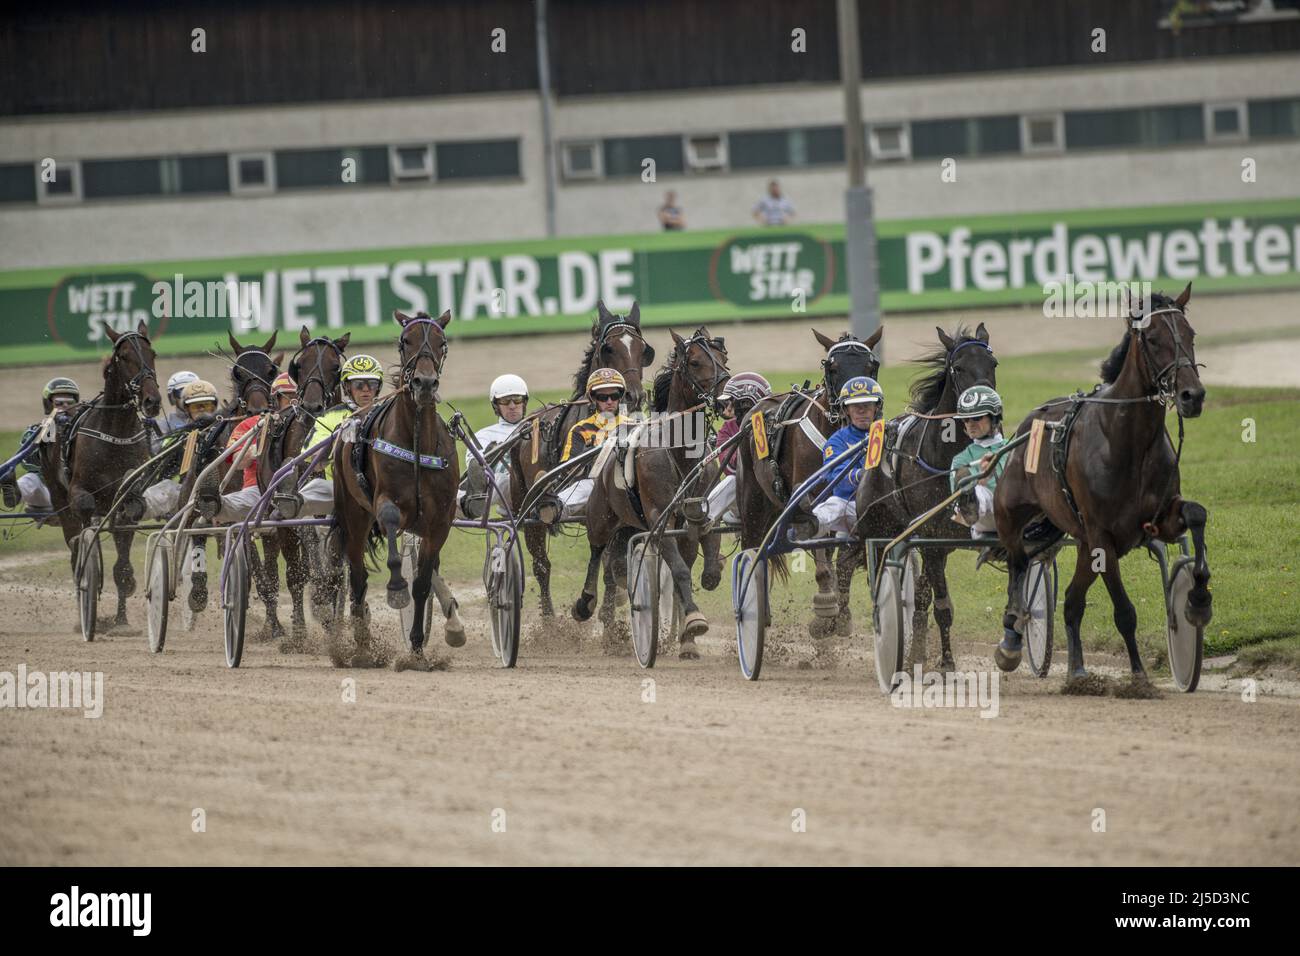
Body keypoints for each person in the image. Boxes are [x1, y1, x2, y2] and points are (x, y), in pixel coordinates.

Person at [288, 354, 384, 518]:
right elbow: (314, 461)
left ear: (378, 387)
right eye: (359, 384)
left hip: (382, 490)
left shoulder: (386, 416)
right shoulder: (330, 417)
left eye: (372, 383)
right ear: (347, 387)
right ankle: (290, 504)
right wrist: (338, 440)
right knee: (316, 486)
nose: (366, 389)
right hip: (339, 489)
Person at [812, 376, 883, 537]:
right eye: (855, 406)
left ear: (877, 407)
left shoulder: (890, 435)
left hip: (886, 507)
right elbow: (835, 477)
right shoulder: (837, 441)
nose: (861, 411)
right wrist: (863, 475)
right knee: (834, 504)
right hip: (851, 508)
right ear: (846, 410)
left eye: (867, 405)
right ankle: (810, 524)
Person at [556, 368, 631, 520]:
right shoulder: (581, 429)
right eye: (603, 397)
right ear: (593, 398)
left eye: (614, 396)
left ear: (620, 397)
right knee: (582, 487)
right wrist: (586, 456)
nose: (609, 401)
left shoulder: (635, 425)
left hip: (629, 484)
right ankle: (554, 508)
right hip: (595, 485)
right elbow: (569, 471)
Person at [141, 379, 219, 520]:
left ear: (214, 407)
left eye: (206, 405)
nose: (201, 410)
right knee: (167, 488)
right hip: (186, 494)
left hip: (222, 493)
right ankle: (138, 505)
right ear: (187, 410)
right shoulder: (181, 437)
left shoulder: (226, 432)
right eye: (196, 407)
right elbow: (160, 461)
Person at [2, 377, 80, 513]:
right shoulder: (35, 431)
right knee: (31, 479)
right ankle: (14, 493)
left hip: (79, 491)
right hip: (47, 495)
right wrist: (49, 433)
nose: (66, 406)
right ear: (48, 405)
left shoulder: (84, 433)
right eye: (59, 403)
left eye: (70, 402)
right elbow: (27, 462)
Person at [704, 372, 771, 524]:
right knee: (733, 479)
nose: (726, 410)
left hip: (771, 494)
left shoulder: (767, 426)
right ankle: (703, 516)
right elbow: (730, 468)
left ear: (747, 403)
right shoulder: (726, 429)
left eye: (732, 403)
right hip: (745, 498)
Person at [461, 373, 529, 517]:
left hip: (537, 487)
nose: (512, 406)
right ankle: (468, 504)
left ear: (524, 402)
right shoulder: (485, 435)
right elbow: (474, 466)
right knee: (503, 478)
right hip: (505, 487)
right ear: (496, 406)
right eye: (505, 401)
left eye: (517, 400)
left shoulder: (538, 428)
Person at [948, 385, 1008, 537]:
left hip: (1018, 511)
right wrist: (982, 478)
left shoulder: (1013, 448)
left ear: (994, 417)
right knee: (978, 491)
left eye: (976, 418)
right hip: (987, 521)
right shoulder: (960, 460)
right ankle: (972, 497)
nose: (970, 424)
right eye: (966, 419)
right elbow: (956, 507)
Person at [153, 370, 200, 451]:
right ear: (172, 397)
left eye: (193, 391)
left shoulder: (215, 419)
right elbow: (155, 451)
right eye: (182, 392)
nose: (189, 396)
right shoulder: (162, 425)